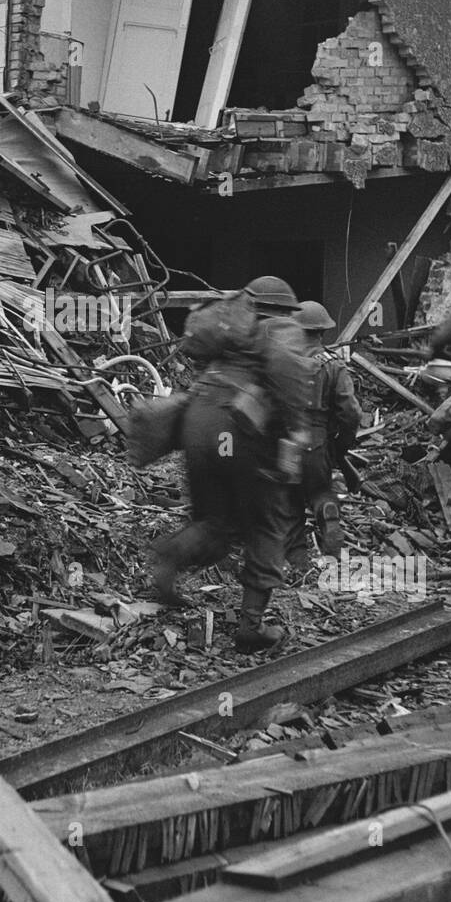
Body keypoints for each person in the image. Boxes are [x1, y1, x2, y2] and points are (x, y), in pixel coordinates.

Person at [150, 275, 312, 653]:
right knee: (266, 526)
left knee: (216, 520)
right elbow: (290, 390)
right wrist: (297, 435)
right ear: (287, 310)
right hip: (236, 431)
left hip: (198, 421)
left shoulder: (232, 335)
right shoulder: (283, 333)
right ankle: (251, 628)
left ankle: (172, 552)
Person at [282, 301, 361, 566]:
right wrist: (341, 446)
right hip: (317, 442)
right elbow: (351, 412)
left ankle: (298, 563)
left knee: (289, 503)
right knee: (319, 491)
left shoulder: (281, 363)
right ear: (322, 332)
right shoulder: (333, 365)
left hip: (286, 443)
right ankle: (326, 511)